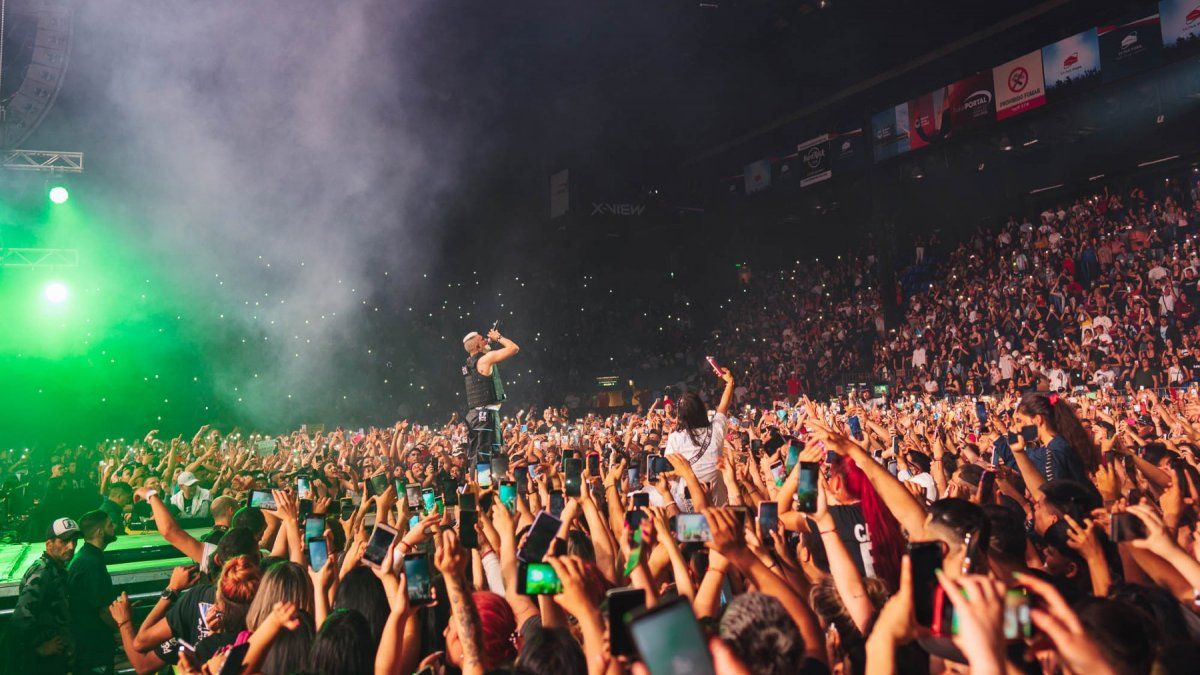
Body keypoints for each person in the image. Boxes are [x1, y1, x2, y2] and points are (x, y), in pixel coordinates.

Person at [7, 517, 81, 674]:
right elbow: (19, 622)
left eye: (74, 541)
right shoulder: (43, 573)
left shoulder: (56, 570)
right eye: (64, 541)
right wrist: (38, 651)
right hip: (42, 665)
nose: (71, 546)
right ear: (49, 544)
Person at [662, 366, 735, 507]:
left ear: (680, 416)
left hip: (686, 507)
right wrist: (730, 382)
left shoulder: (675, 438)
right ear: (702, 409)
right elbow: (723, 407)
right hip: (718, 507)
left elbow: (670, 471)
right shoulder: (716, 429)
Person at [68, 510, 118, 674]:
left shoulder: (86, 557)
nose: (114, 527)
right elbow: (102, 610)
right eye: (110, 524)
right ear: (100, 532)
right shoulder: (91, 564)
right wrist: (122, 629)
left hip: (87, 645)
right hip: (94, 648)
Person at [462, 326, 520, 462]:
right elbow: (514, 348)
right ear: (477, 345)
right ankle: (487, 483)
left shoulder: (469, 364)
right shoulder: (485, 360)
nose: (487, 341)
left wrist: (486, 347)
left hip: (475, 416)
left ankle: (478, 482)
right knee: (490, 456)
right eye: (483, 340)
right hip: (486, 416)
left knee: (478, 455)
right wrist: (498, 337)